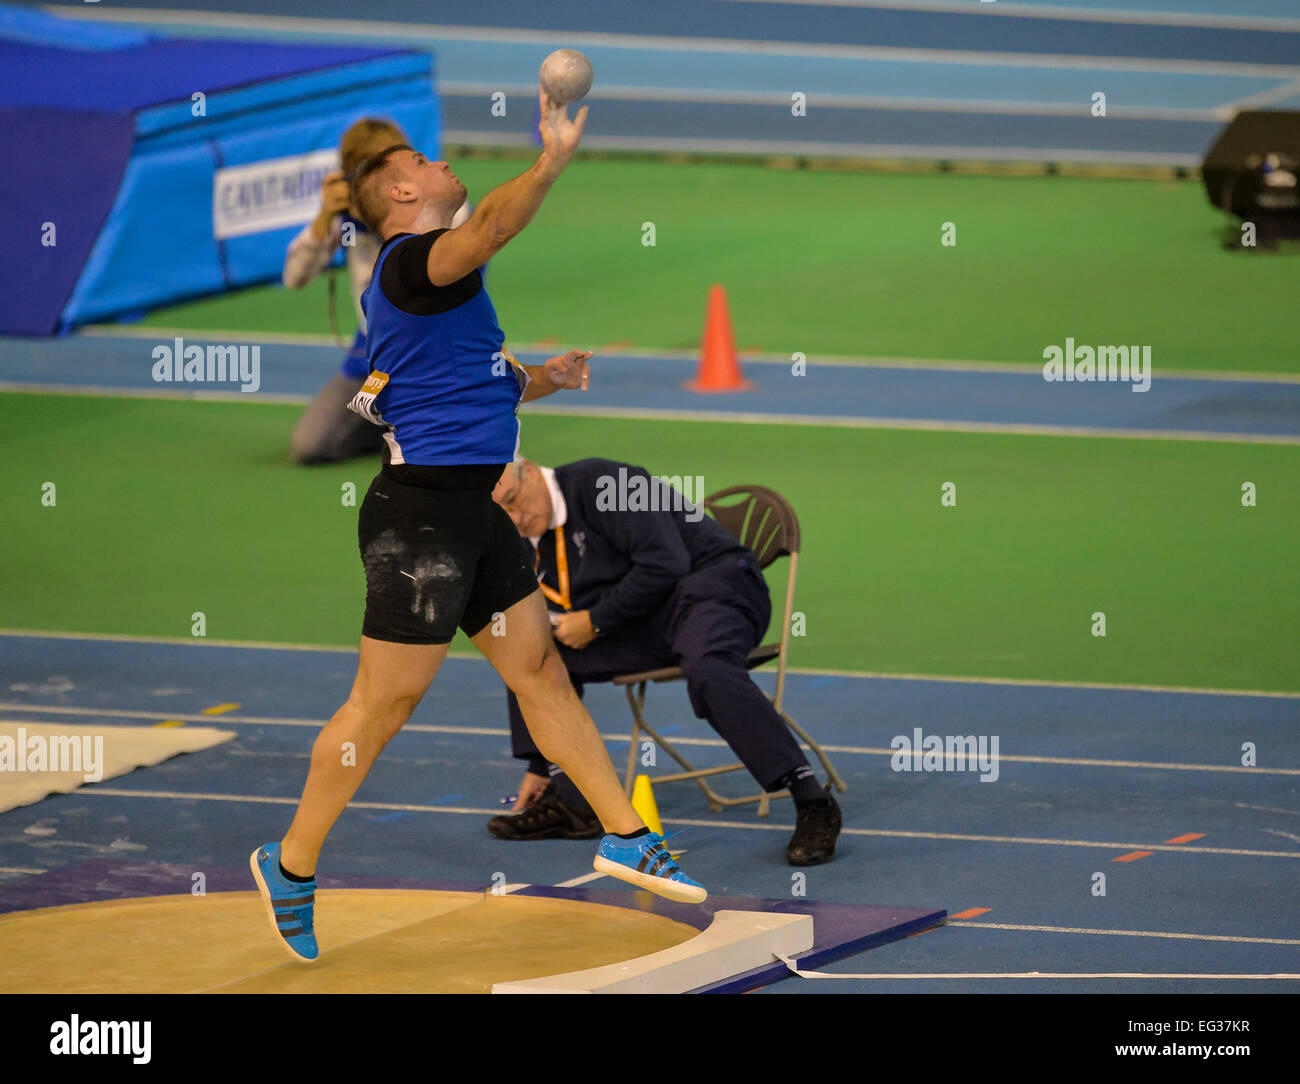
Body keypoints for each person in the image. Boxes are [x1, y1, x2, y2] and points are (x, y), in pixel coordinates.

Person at [250, 88, 706, 965]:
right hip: (419, 522)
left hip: (480, 509)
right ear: (400, 199)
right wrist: (551, 158)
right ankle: (292, 864)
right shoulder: (413, 262)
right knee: (384, 703)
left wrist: (547, 379)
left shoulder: (445, 289)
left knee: (539, 669)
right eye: (421, 163)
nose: (439, 162)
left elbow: (476, 377)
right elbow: (494, 223)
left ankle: (622, 833)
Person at [486, 457, 842, 866]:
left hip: (716, 589)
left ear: (528, 471)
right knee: (530, 654)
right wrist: (541, 760)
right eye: (502, 515)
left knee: (707, 664)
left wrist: (597, 621)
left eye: (514, 501)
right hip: (649, 619)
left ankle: (812, 799)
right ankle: (570, 796)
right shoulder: (529, 537)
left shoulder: (608, 483)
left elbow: (665, 562)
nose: (514, 519)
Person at [282, 117, 471, 465]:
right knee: (310, 445)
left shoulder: (443, 206)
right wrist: (325, 217)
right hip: (374, 359)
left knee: (449, 454)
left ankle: (404, 419)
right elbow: (294, 277)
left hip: (435, 356)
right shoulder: (346, 218)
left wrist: (378, 219)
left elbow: (417, 264)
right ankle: (381, 422)